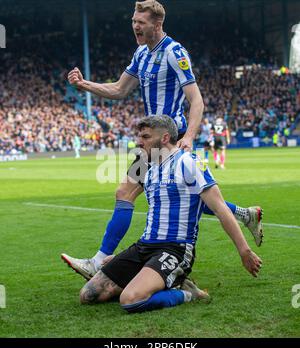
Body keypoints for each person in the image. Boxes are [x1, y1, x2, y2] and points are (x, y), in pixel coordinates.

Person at [62, 0, 263, 280]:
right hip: (152, 140)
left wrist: (189, 137)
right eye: (133, 21)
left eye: (140, 22)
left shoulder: (174, 52)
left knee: (125, 193)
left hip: (167, 138)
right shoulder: (141, 54)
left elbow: (197, 100)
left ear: (157, 24)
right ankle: (245, 214)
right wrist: (84, 85)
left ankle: (97, 262)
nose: (135, 26)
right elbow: (120, 89)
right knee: (186, 194)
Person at [77, 115, 262, 314]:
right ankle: (151, 277)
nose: (139, 142)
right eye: (139, 136)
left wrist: (244, 251)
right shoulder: (149, 167)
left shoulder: (189, 162)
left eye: (146, 137)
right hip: (144, 246)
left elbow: (220, 208)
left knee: (130, 300)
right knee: (88, 295)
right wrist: (121, 258)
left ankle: (187, 293)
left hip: (175, 249)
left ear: (164, 138)